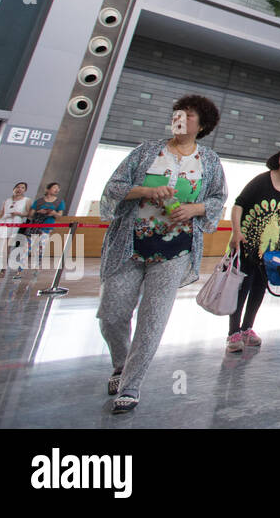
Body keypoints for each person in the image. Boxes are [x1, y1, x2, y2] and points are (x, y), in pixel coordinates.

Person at [98, 95, 227, 413]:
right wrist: (145, 190)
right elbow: (115, 186)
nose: (181, 118)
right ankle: (120, 363)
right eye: (178, 113)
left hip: (174, 251)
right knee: (112, 314)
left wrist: (194, 208)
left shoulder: (208, 161)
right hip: (129, 246)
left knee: (152, 321)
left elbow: (216, 199)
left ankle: (130, 385)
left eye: (190, 115)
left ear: (203, 125)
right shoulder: (145, 151)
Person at [226, 146, 280, 353]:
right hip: (246, 244)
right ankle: (233, 333)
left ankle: (248, 328)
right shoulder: (262, 180)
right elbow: (238, 205)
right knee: (241, 287)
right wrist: (236, 232)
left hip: (272, 250)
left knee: (260, 287)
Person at [0, 182, 30, 279]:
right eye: (18, 187)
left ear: (25, 190)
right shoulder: (7, 201)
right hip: (1, 224)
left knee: (6, 249)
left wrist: (19, 214)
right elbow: (1, 215)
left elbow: (29, 214)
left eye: (22, 188)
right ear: (14, 188)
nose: (19, 189)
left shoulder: (26, 200)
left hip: (14, 225)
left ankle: (3, 269)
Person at [24, 182, 66, 269]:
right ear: (47, 189)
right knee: (27, 247)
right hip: (35, 226)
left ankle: (36, 267)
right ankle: (21, 267)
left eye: (58, 188)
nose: (56, 189)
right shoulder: (39, 201)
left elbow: (59, 215)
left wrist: (54, 213)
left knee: (41, 248)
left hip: (47, 227)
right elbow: (31, 215)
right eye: (54, 187)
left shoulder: (59, 202)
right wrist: (38, 212)